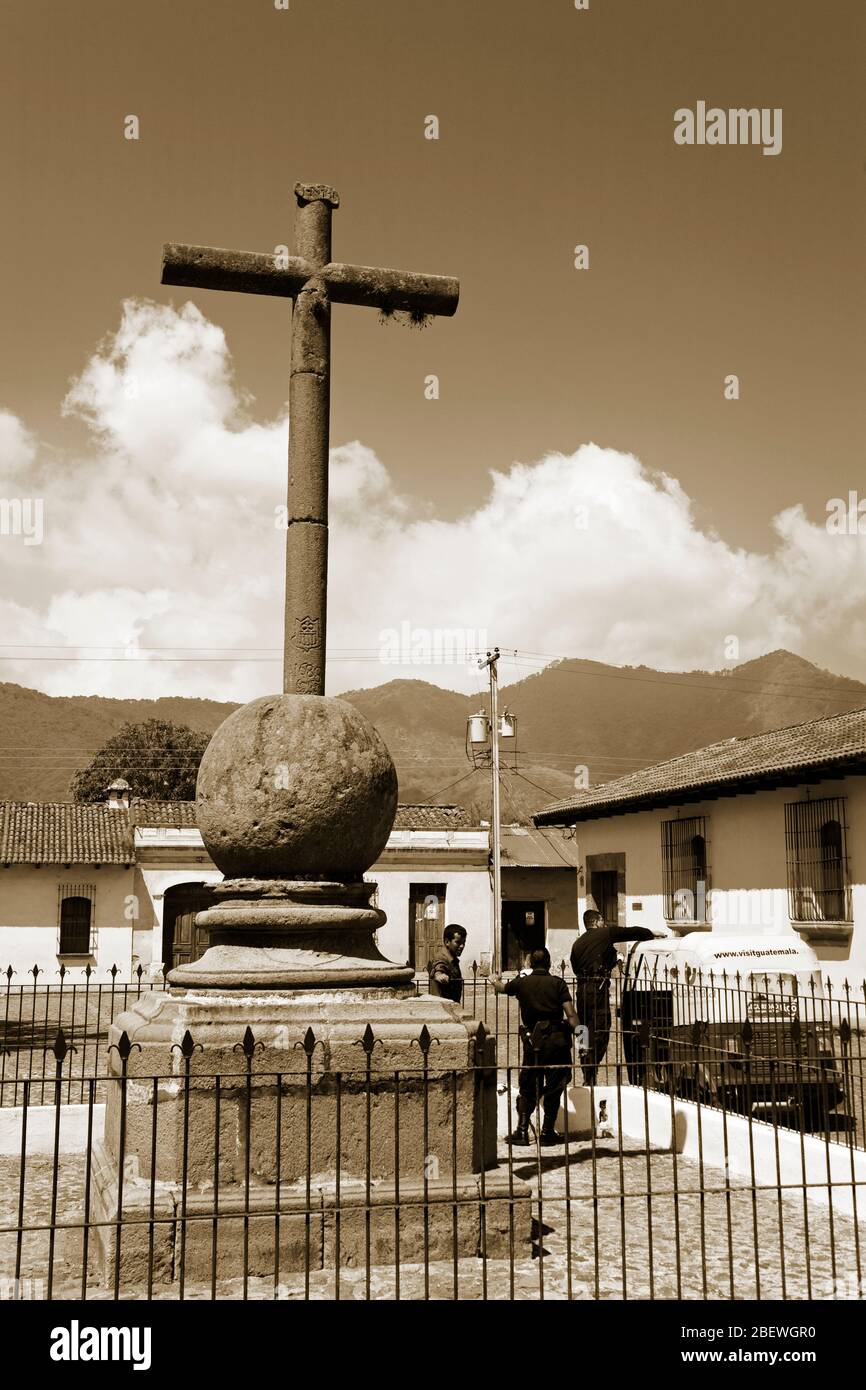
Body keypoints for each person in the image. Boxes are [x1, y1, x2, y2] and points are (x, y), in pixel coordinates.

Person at [491, 946, 580, 1146]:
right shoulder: (558, 983)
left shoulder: (522, 983)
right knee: (556, 1085)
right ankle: (547, 1132)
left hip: (534, 1042)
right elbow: (572, 1016)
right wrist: (585, 1042)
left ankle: (522, 1131)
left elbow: (501, 988)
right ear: (548, 964)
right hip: (557, 1042)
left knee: (529, 1085)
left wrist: (493, 980)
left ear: (530, 964)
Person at [570, 909, 655, 1086]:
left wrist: (613, 958)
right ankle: (592, 1066)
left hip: (581, 989)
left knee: (583, 1028)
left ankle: (586, 1066)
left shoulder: (578, 943)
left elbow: (576, 966)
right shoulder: (604, 933)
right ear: (598, 921)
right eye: (603, 920)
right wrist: (650, 934)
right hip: (597, 989)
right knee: (601, 1028)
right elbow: (629, 932)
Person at [427, 924, 467, 1003]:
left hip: (452, 1006)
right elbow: (439, 967)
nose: (462, 946)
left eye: (464, 942)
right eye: (458, 942)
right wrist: (439, 975)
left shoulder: (453, 959)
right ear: (447, 942)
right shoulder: (441, 957)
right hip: (442, 1008)